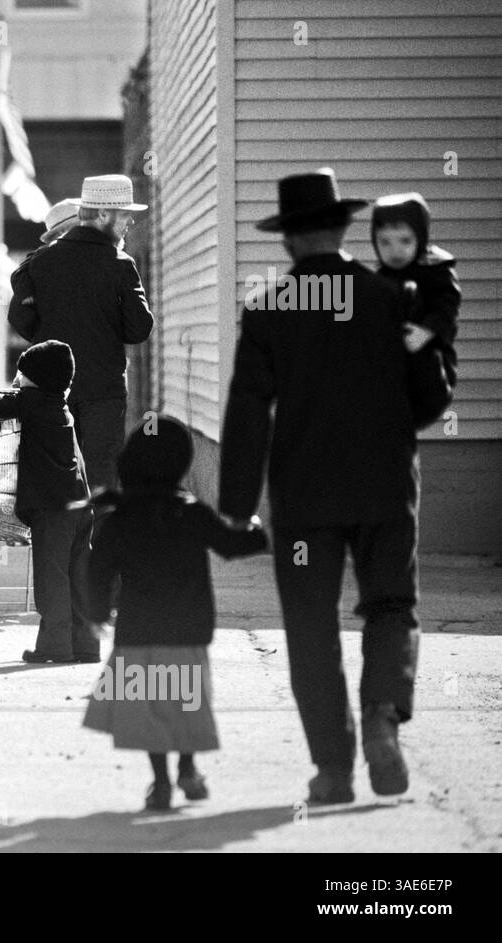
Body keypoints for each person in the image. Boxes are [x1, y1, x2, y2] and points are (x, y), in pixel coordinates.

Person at [220, 168, 421, 804]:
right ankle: (384, 715)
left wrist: (234, 509)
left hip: (305, 501)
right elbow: (431, 388)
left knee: (311, 627)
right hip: (386, 487)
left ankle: (333, 771)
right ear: (342, 229)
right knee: (390, 605)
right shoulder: (392, 298)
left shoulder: (268, 309)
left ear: (287, 243)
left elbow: (248, 412)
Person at [82, 416, 267, 811]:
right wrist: (256, 529)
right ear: (181, 464)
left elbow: (97, 572)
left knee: (149, 711)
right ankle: (187, 767)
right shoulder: (192, 511)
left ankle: (161, 782)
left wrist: (96, 612)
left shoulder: (119, 517)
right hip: (187, 630)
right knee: (185, 706)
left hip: (138, 632)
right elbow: (233, 546)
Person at [0, 340, 96, 665]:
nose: (16, 379)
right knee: (79, 575)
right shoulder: (57, 404)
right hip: (80, 504)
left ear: (35, 378)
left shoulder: (33, 402)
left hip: (53, 509)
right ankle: (86, 644)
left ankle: (55, 646)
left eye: (21, 373)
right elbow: (10, 398)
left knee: (52, 578)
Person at [7, 175, 155, 493]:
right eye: (126, 215)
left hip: (52, 392)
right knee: (100, 477)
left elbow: (19, 318)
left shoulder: (39, 262)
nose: (130, 222)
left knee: (55, 475)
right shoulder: (121, 265)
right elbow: (139, 329)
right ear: (103, 215)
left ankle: (57, 542)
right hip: (104, 391)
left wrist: (48, 333)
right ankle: (99, 542)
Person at [371, 192, 460, 427]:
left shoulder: (435, 269)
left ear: (420, 238)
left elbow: (446, 308)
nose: (395, 251)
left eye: (405, 241)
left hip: (431, 356)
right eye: (385, 242)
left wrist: (426, 331)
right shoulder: (381, 277)